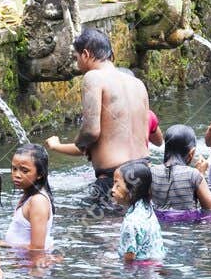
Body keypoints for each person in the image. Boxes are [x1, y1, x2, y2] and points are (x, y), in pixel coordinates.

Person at [45, 28, 150, 206]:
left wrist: (81, 144)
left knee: (99, 231)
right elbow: (145, 133)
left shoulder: (93, 77)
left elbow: (91, 132)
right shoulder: (137, 83)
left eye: (77, 57)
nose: (77, 63)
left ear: (86, 54)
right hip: (144, 173)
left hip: (113, 179)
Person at [151, 125, 211, 218]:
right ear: (192, 153)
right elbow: (209, 208)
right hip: (187, 224)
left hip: (159, 220)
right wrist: (201, 175)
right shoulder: (194, 174)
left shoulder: (152, 172)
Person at [3, 143, 55, 253]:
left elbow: (37, 249)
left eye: (24, 171)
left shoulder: (38, 201)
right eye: (14, 168)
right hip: (21, 264)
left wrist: (6, 245)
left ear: (40, 174)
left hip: (30, 267)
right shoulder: (29, 195)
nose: (17, 175)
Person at [113, 162, 165, 264]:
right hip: (156, 264)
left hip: (141, 273)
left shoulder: (131, 222)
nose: (113, 190)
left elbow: (129, 260)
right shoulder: (147, 208)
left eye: (117, 185)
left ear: (133, 189)